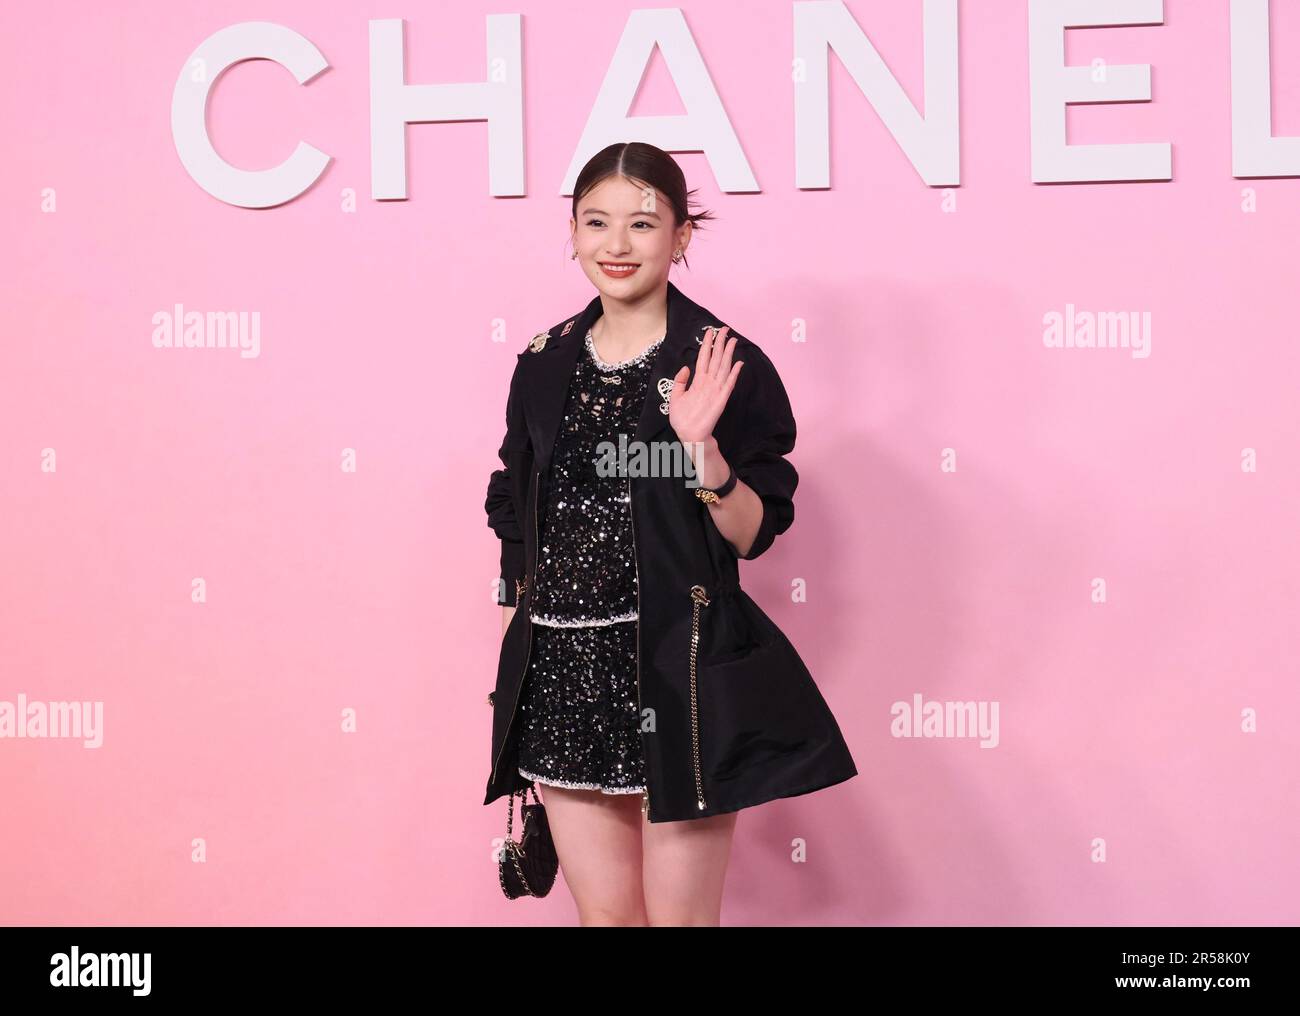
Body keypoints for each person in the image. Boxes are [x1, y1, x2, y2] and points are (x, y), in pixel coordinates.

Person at [484, 142, 857, 926]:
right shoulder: (541, 362)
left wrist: (703, 454)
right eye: (597, 222)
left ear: (682, 235)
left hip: (675, 668)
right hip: (561, 675)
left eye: (644, 223)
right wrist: (521, 605)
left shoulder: (722, 361)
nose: (617, 245)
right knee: (607, 921)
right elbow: (512, 495)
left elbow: (755, 532)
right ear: (574, 231)